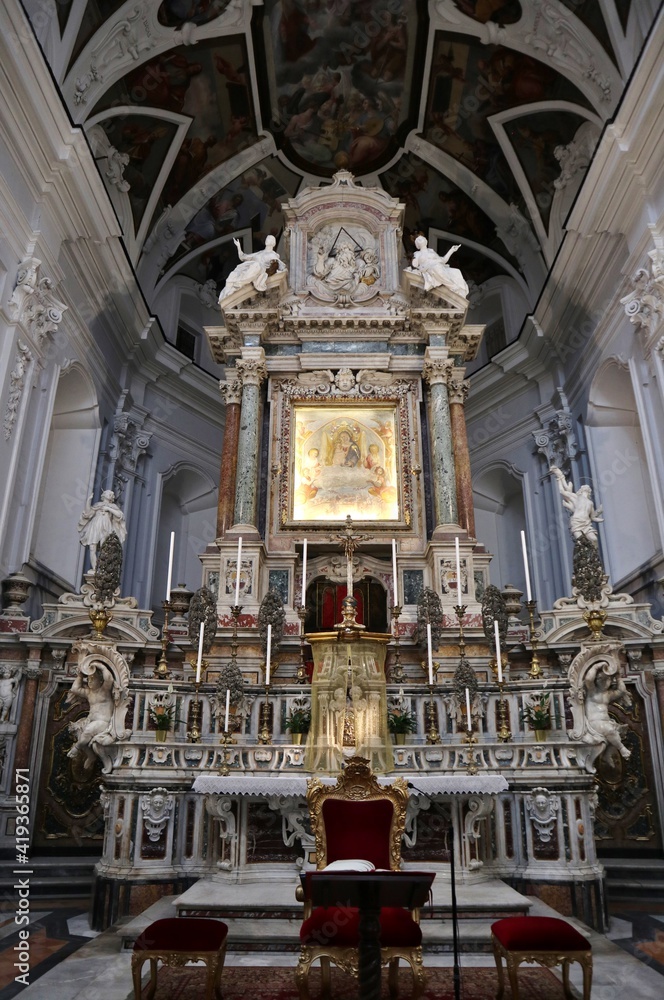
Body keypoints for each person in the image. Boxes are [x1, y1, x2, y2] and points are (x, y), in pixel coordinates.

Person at [66, 663, 119, 770]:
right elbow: (75, 689)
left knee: (88, 731)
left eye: (93, 678)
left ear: (100, 680)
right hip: (91, 721)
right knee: (79, 730)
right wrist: (80, 676)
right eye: (88, 679)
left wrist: (101, 666)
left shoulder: (105, 690)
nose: (89, 681)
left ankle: (76, 747)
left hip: (104, 723)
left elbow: (109, 679)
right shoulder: (89, 693)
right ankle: (91, 756)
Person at [584, 660, 631, 759]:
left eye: (608, 679)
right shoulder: (592, 691)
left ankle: (606, 754)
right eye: (602, 679)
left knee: (615, 732)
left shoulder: (608, 694)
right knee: (610, 730)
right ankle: (622, 748)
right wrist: (596, 666)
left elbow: (621, 690)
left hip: (606, 722)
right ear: (597, 680)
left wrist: (618, 676)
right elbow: (588, 679)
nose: (605, 682)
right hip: (594, 723)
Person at [218, 235, 286, 301]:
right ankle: (228, 292)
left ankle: (237, 284)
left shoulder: (273, 255)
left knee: (256, 265)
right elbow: (243, 257)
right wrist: (238, 246)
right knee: (234, 274)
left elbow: (280, 265)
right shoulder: (259, 253)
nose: (267, 240)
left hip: (258, 269)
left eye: (270, 239)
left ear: (273, 243)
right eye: (267, 238)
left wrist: (283, 270)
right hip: (250, 267)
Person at [550, 466, 603, 544]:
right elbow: (562, 491)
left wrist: (601, 514)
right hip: (576, 522)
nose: (586, 489)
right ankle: (584, 554)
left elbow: (592, 517)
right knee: (581, 541)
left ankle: (592, 555)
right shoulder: (576, 497)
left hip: (586, 523)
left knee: (594, 539)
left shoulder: (590, 502)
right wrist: (559, 478)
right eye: (585, 488)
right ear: (581, 490)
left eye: (587, 489)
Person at [78, 491, 127, 570]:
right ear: (104, 495)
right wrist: (88, 501)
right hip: (95, 526)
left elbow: (120, 515)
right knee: (92, 548)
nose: (112, 495)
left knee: (103, 547)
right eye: (110, 493)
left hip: (106, 527)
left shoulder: (113, 506)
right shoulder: (98, 505)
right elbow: (88, 513)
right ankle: (94, 569)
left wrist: (108, 509)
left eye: (112, 494)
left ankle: (101, 568)